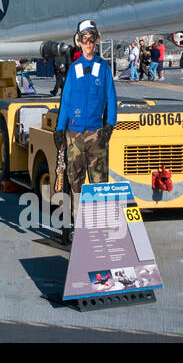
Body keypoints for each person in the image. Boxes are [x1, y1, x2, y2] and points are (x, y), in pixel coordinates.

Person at [53, 19, 118, 246]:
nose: (88, 44)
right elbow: (67, 101)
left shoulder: (104, 68)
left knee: (99, 181)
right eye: (84, 40)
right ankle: (74, 227)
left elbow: (111, 97)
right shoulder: (74, 69)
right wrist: (60, 129)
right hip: (74, 134)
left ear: (95, 41)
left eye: (91, 40)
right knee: (74, 181)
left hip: (96, 134)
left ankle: (99, 229)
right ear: (79, 43)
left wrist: (110, 124)